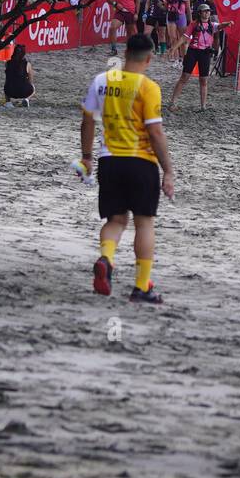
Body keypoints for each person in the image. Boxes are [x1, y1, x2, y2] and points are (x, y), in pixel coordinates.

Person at [80, 33, 173, 305]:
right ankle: (142, 286)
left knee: (116, 221)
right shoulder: (148, 87)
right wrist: (168, 169)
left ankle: (106, 258)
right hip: (140, 162)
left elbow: (87, 122)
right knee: (144, 223)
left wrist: (87, 157)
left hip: (109, 161)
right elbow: (155, 132)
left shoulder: (102, 81)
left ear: (124, 52)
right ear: (150, 57)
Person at [169, 4, 231, 110]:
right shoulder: (193, 24)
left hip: (205, 53)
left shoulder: (212, 25)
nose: (207, 12)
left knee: (203, 80)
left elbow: (220, 25)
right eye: (205, 11)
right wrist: (174, 48)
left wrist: (228, 23)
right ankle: (173, 102)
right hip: (193, 51)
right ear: (200, 13)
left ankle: (203, 106)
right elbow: (184, 38)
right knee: (184, 77)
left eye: (208, 11)